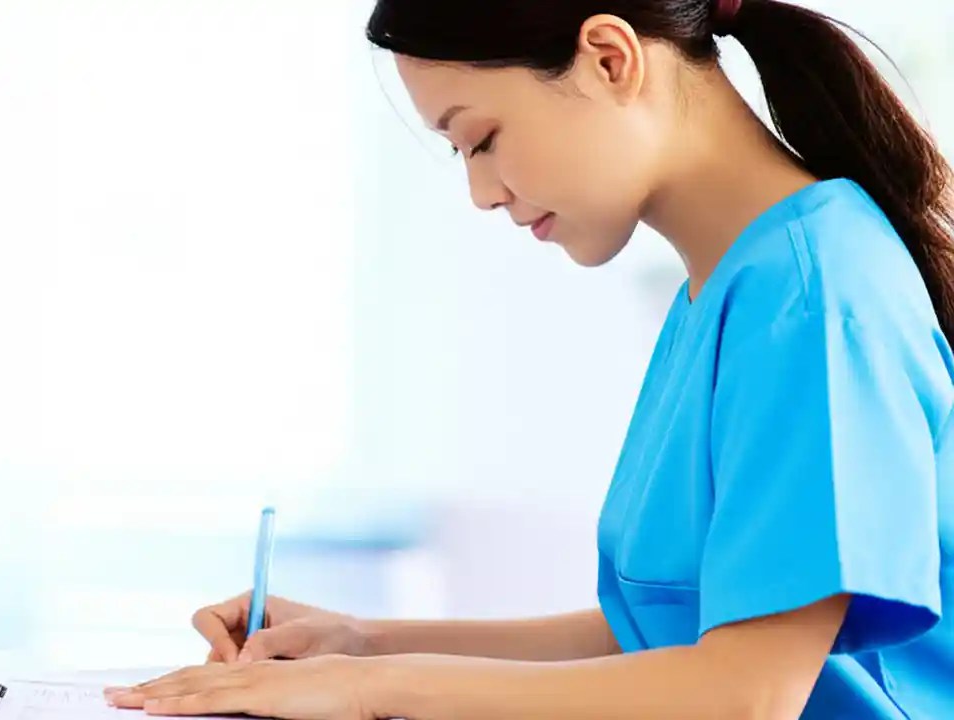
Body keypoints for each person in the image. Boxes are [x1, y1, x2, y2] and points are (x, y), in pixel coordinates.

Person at [105, 0, 954, 717]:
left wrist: (370, 688)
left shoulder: (811, 292)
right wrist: (358, 645)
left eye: (480, 139)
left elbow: (746, 690)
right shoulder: (734, 282)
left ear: (610, 58)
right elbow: (661, 634)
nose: (482, 191)